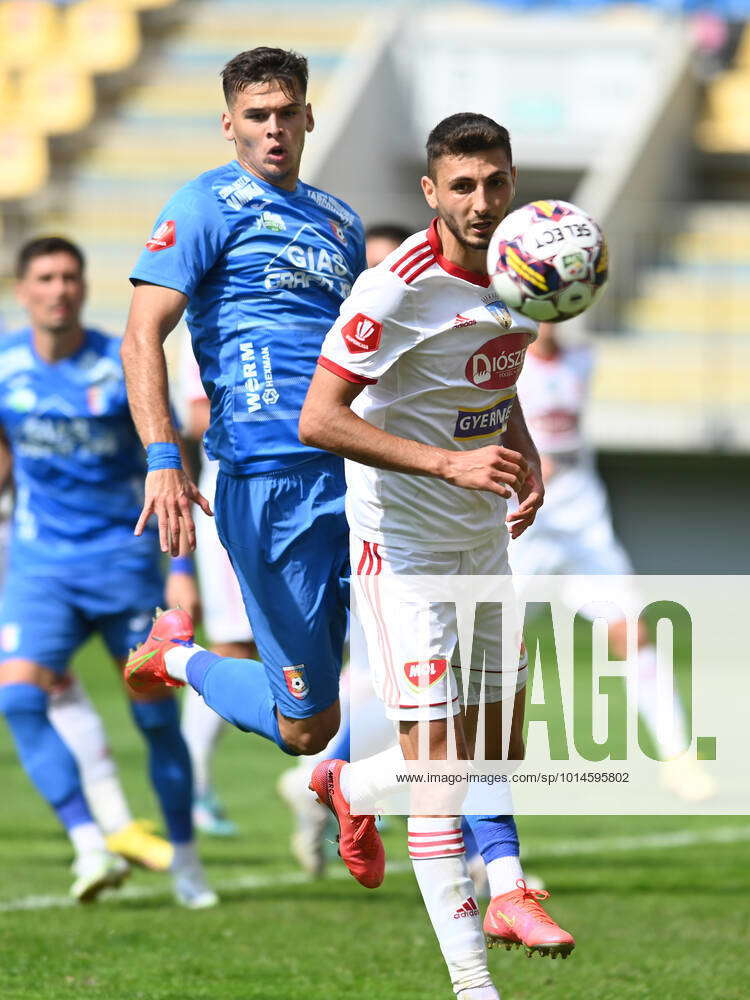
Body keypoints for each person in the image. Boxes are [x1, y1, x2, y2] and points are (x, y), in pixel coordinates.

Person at [299, 115, 574, 999]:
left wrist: (519, 447)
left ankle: (354, 785)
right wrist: (450, 462)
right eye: (463, 185)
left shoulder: (526, 267)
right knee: (450, 767)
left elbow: (493, 373)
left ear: (512, 179)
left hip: (480, 536)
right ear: (431, 192)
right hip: (404, 546)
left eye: (494, 182)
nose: (482, 202)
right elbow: (322, 418)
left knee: (496, 744)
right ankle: (472, 985)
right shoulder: (393, 291)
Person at [121, 48, 364, 760]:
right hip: (267, 482)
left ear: (310, 118)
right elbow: (142, 336)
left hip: (355, 469)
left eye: (288, 113)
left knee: (419, 658)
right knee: (305, 726)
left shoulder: (339, 222)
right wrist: (163, 459)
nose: (275, 128)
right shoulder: (203, 206)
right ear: (229, 125)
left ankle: (453, 841)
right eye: (258, 115)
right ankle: (176, 658)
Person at [0, 236, 215, 907]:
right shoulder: (4, 368)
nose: (60, 288)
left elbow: (173, 465)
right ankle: (90, 842)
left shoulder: (121, 366)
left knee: (154, 722)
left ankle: (185, 858)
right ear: (22, 289)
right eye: (46, 277)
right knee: (16, 701)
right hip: (41, 569)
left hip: (126, 565)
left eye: (71, 276)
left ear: (85, 287)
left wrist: (182, 567)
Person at [509, 320, 715, 800]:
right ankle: (359, 764)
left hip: (584, 523)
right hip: (524, 523)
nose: (550, 317)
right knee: (488, 653)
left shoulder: (584, 359)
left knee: (632, 629)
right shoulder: (503, 368)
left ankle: (678, 758)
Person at [276, 222, 413, 875]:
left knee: (433, 693)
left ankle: (333, 783)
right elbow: (318, 424)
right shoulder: (338, 350)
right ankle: (482, 860)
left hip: (432, 529)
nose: (386, 288)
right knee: (432, 693)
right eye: (373, 273)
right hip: (366, 531)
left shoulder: (428, 336)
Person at [177, 341, 258, 835]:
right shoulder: (209, 326)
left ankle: (337, 782)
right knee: (232, 646)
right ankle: (193, 787)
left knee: (337, 643)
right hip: (232, 497)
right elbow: (196, 419)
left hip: (305, 493)